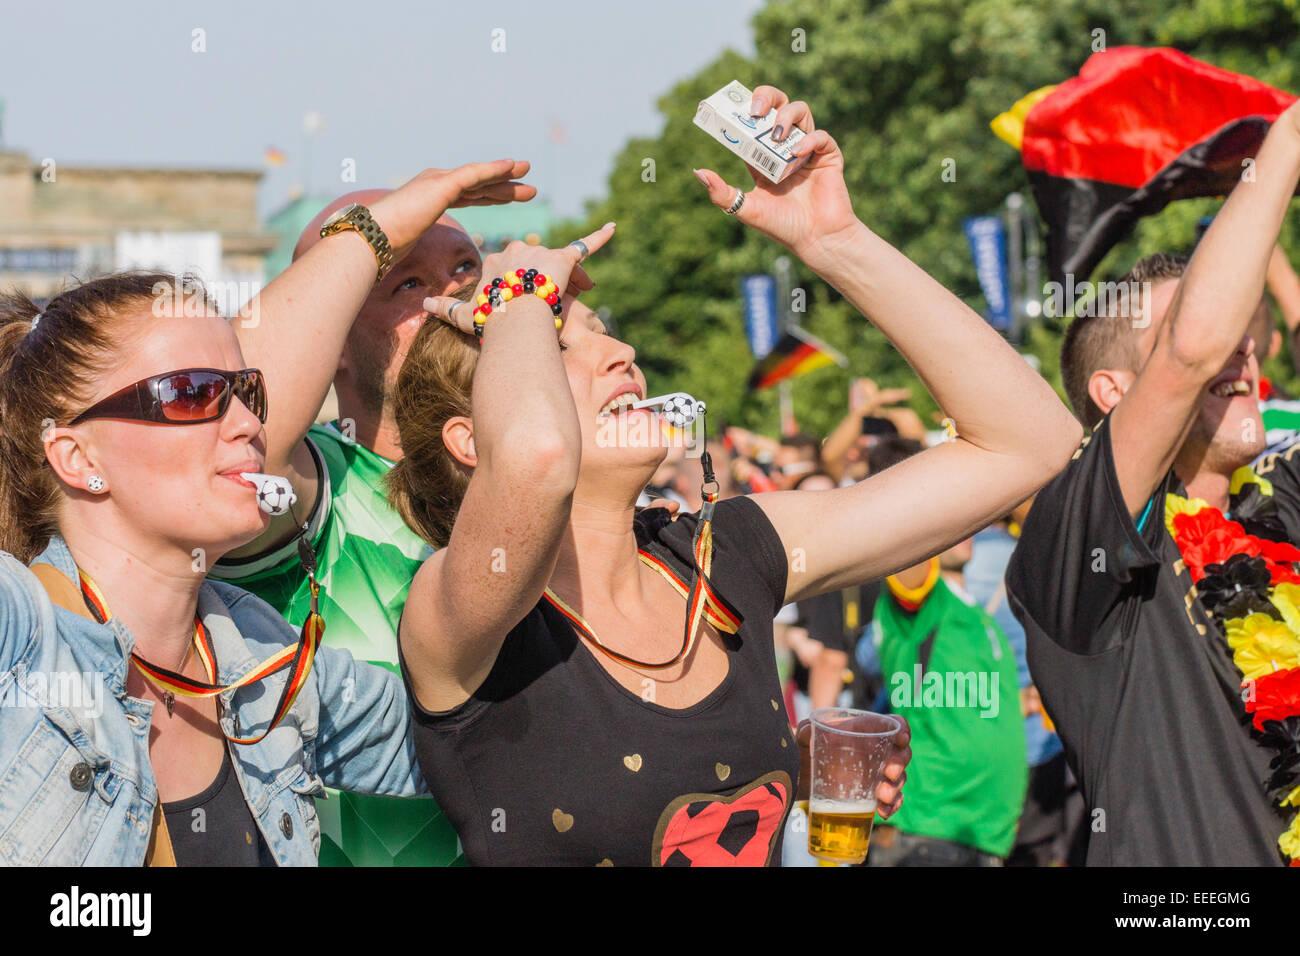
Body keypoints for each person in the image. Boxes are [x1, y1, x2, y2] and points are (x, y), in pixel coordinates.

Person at [391, 83, 1081, 865]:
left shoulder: (724, 556)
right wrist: (517, 295)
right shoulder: (459, 611)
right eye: (562, 351)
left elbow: (1031, 443)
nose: (623, 356)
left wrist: (835, 242)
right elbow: (536, 459)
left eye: (607, 335)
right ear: (470, 441)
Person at [0, 273, 429, 865]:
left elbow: (465, 741)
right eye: (191, 391)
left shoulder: (264, 662)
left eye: (247, 392)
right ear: (78, 459)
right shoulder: (17, 631)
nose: (250, 425)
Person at [209, 164, 535, 866]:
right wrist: (380, 226)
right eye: (406, 283)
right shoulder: (317, 486)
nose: (459, 298)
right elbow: (229, 435)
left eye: (467, 270)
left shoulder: (556, 485)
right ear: (328, 347)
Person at [1007, 99, 1300, 865]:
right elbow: (1191, 356)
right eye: (1192, 332)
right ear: (1113, 392)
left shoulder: (1279, 511)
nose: (1240, 349)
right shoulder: (1086, 548)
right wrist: (1287, 143)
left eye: (1249, 334)